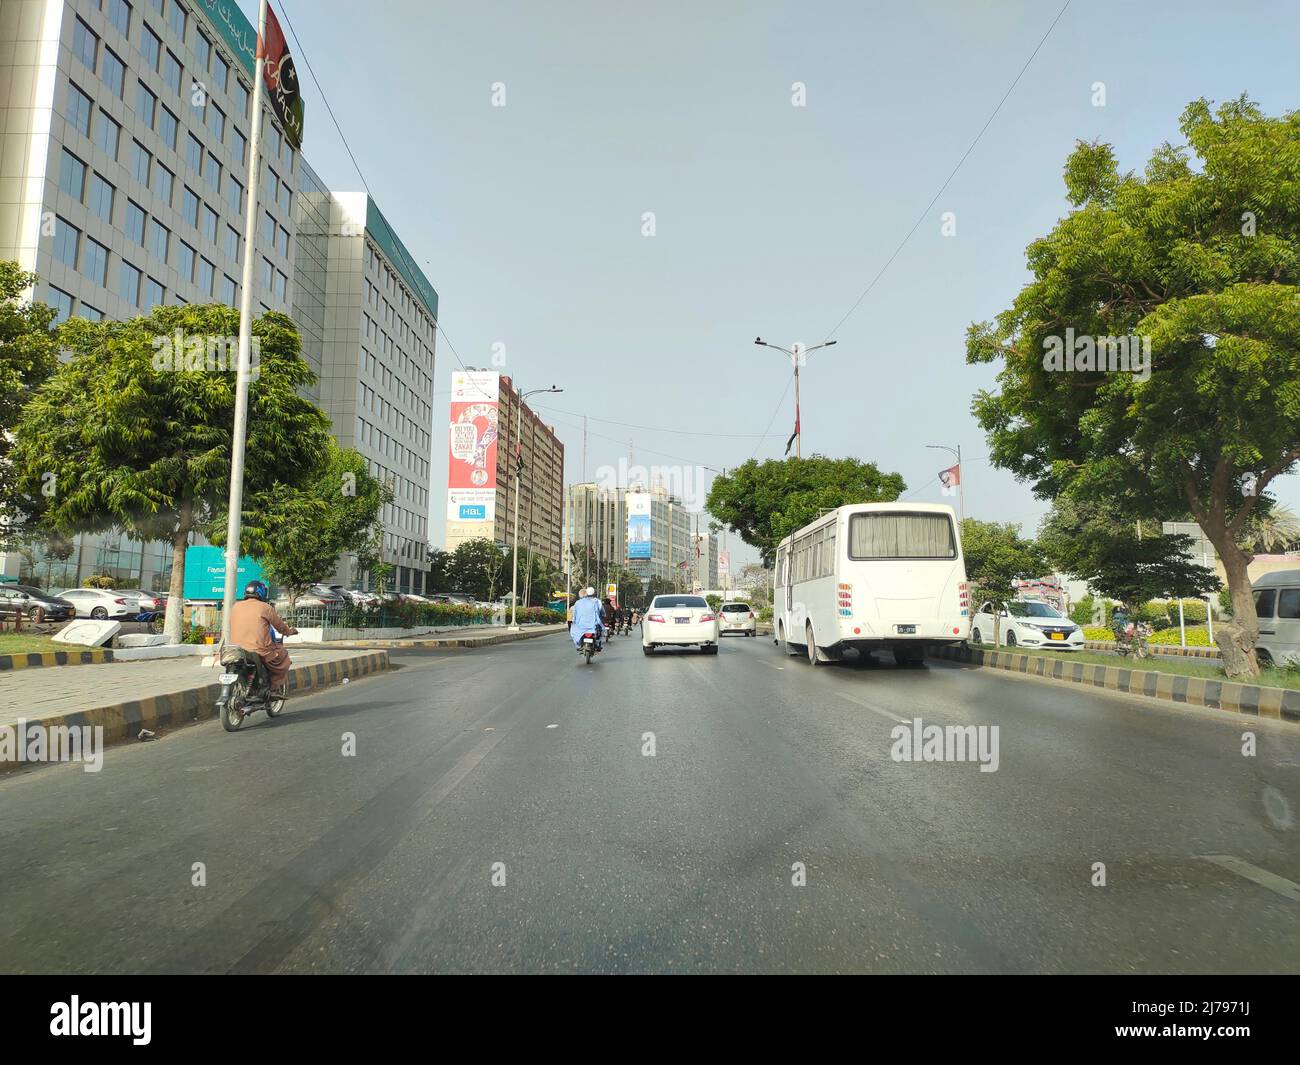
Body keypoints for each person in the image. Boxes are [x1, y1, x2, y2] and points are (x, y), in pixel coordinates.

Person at [229, 580, 298, 693]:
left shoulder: (236, 606)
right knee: (283, 655)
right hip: (258, 650)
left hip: (234, 649)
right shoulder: (265, 607)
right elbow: (280, 626)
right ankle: (274, 686)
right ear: (261, 593)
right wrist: (289, 632)